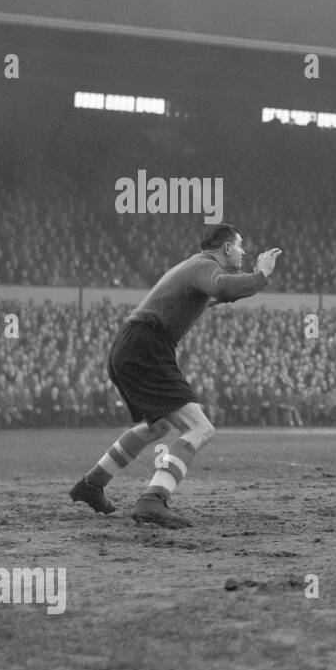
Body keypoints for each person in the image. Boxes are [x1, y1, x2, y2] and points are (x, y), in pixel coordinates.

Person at [70, 224, 282, 528]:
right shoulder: (205, 265)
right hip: (147, 347)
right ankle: (153, 500)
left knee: (157, 426)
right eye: (240, 246)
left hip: (129, 346)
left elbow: (212, 297)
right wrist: (261, 275)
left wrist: (229, 296)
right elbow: (221, 287)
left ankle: (92, 485)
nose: (244, 251)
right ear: (225, 249)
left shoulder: (192, 266)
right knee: (200, 427)